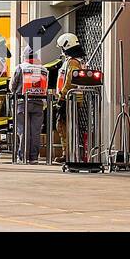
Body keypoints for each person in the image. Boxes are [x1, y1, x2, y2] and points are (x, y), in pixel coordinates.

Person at [53, 32, 87, 163]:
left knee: (63, 126)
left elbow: (69, 80)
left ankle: (67, 153)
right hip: (69, 98)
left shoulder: (73, 62)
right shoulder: (73, 61)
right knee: (64, 125)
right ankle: (68, 152)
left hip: (68, 98)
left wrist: (61, 96)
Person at [11, 47, 48, 162]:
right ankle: (33, 157)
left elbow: (12, 85)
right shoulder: (43, 69)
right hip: (38, 103)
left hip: (22, 103)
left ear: (24, 57)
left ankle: (23, 156)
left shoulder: (20, 68)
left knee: (23, 131)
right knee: (35, 131)